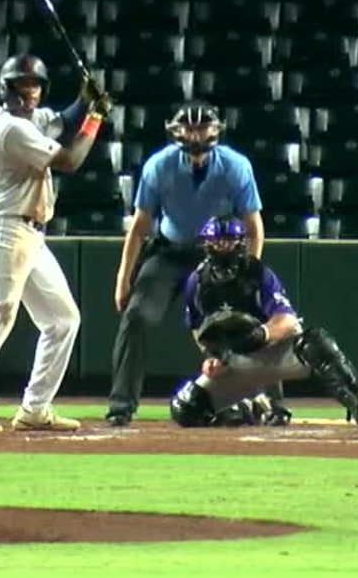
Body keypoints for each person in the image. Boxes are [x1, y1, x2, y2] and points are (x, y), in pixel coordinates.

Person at [0, 54, 111, 435]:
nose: (28, 92)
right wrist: (96, 118)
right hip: (5, 230)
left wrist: (87, 97)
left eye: (33, 86)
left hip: (31, 233)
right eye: (21, 85)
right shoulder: (10, 128)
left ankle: (35, 408)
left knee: (63, 320)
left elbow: (62, 119)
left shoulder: (33, 119)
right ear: (7, 88)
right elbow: (69, 160)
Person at [106, 101, 271, 427]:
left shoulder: (235, 166)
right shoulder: (159, 166)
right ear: (176, 131)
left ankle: (257, 400)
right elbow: (140, 227)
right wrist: (123, 278)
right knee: (137, 316)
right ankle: (120, 406)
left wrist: (247, 272)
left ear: (215, 131)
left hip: (217, 255)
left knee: (235, 324)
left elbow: (254, 228)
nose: (196, 136)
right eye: (189, 129)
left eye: (202, 128)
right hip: (168, 252)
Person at [168, 216, 358, 431]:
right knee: (185, 408)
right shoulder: (197, 282)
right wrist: (211, 357)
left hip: (274, 352)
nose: (222, 247)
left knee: (315, 341)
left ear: (240, 243)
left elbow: (288, 320)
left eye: (227, 241)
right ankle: (248, 409)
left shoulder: (257, 274)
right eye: (217, 241)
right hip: (235, 360)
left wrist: (261, 334)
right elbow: (199, 329)